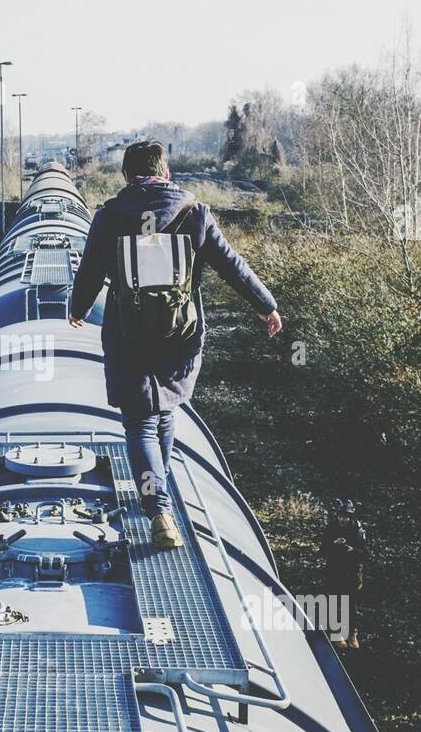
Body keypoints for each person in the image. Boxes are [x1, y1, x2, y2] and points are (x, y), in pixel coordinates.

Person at [69, 140, 281, 549]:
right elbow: (231, 264)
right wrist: (266, 305)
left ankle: (158, 508)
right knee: (165, 410)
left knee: (139, 421)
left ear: (127, 176)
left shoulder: (109, 216)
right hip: (179, 334)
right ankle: (157, 494)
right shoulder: (193, 213)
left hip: (126, 333)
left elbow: (91, 267)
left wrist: (77, 308)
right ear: (164, 172)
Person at [319, 499, 366, 648]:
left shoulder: (358, 531)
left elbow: (365, 553)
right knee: (334, 600)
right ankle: (335, 632)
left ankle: (352, 633)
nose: (342, 519)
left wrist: (352, 550)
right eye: (340, 516)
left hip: (351, 572)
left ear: (351, 517)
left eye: (345, 516)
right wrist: (334, 544)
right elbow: (322, 550)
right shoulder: (331, 528)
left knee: (351, 604)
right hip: (334, 570)